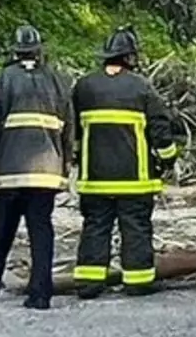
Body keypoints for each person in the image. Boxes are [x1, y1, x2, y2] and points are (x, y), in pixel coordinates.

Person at [68, 27, 180, 297]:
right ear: (130, 57)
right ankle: (138, 281)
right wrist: (168, 160)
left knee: (95, 226)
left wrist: (74, 159)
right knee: (136, 228)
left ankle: (89, 282)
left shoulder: (84, 87)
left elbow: (72, 130)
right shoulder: (142, 88)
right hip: (134, 178)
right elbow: (160, 129)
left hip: (94, 178)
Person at [0, 25, 69, 309]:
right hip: (46, 172)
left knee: (2, 228)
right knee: (41, 231)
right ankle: (40, 294)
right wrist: (65, 167)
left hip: (7, 173)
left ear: (14, 50)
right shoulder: (58, 82)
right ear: (40, 50)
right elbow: (69, 128)